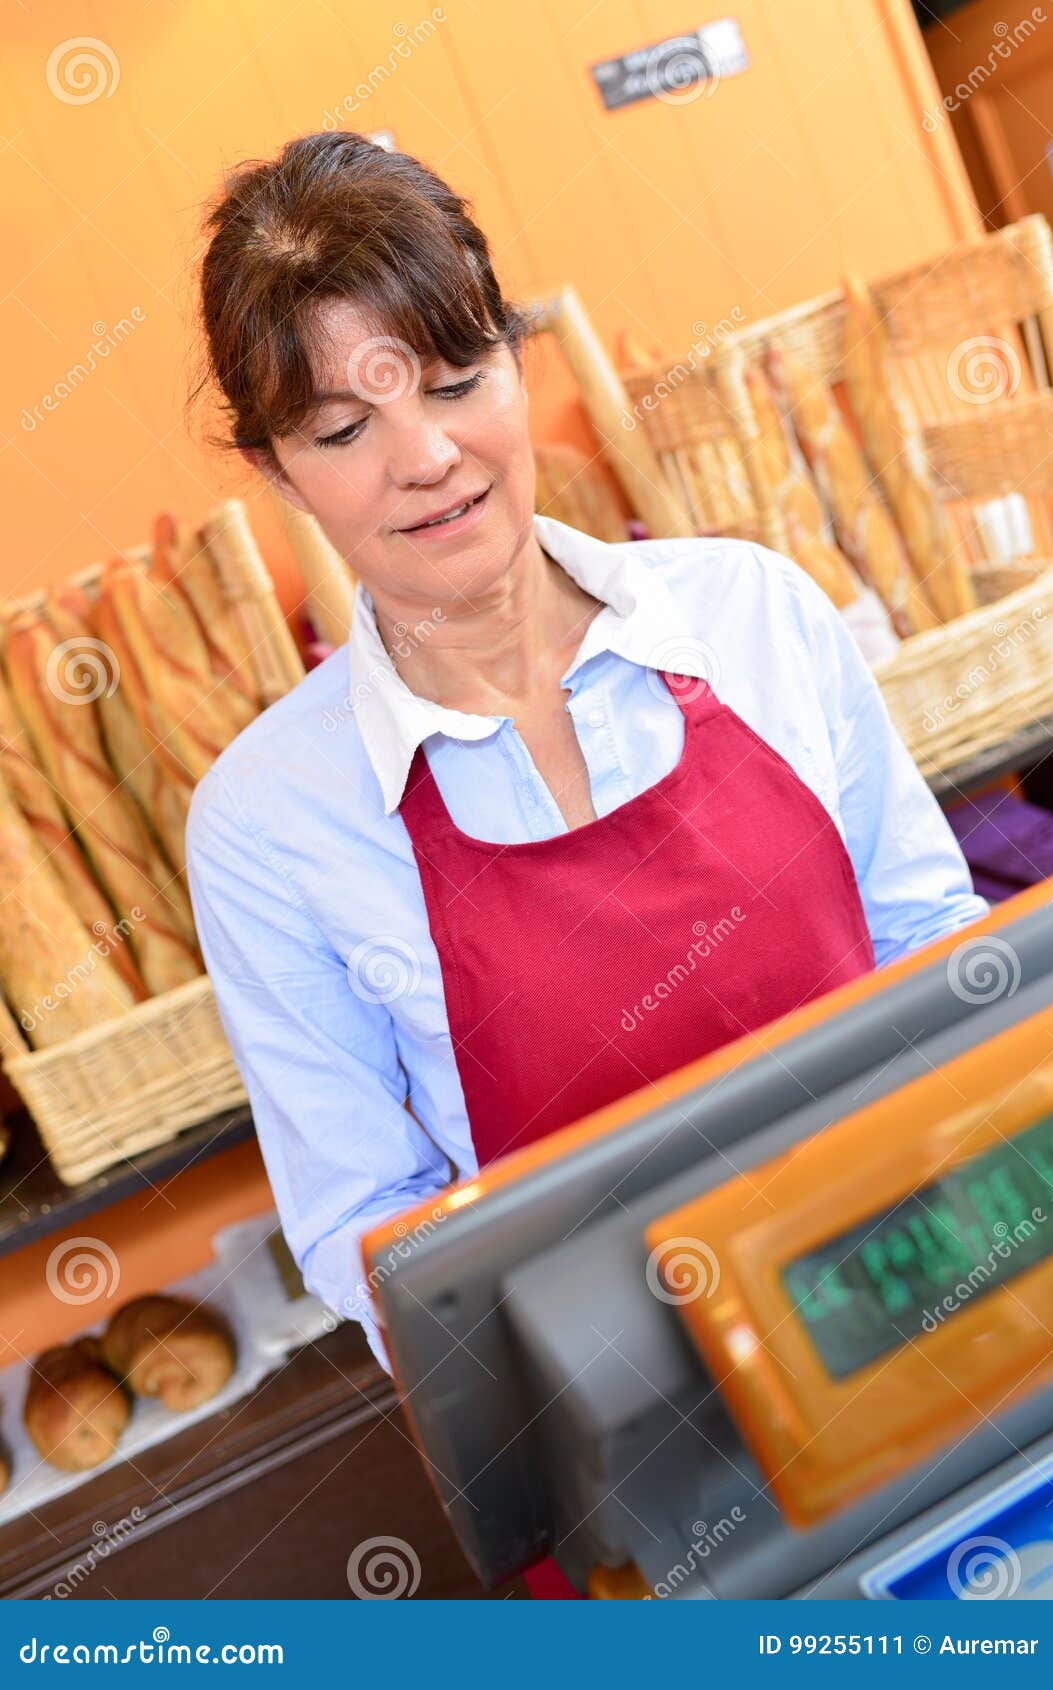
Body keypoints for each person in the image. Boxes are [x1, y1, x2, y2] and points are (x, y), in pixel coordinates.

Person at [185, 131, 990, 1599]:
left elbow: (936, 946)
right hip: (636, 1482)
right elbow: (370, 1228)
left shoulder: (749, 614)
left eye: (451, 379)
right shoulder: (270, 823)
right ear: (276, 469)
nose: (426, 459)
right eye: (342, 427)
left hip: (934, 1332)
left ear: (512, 354)